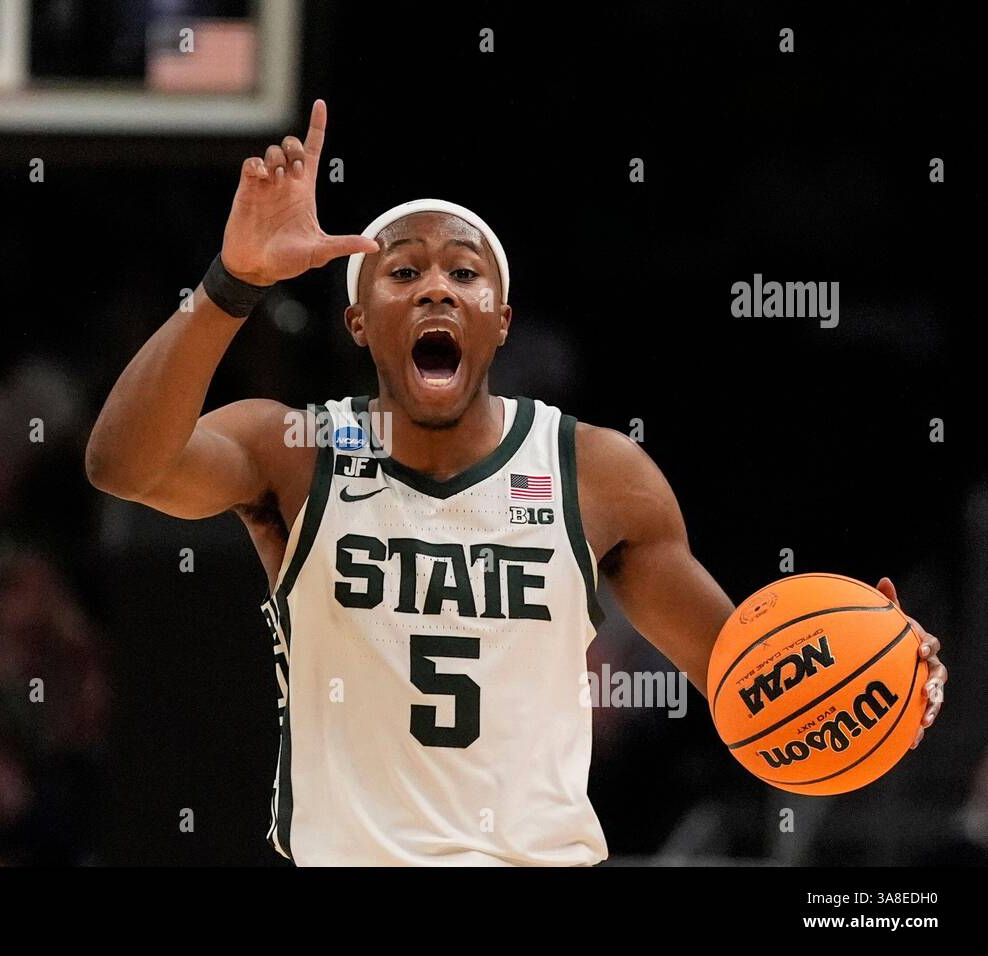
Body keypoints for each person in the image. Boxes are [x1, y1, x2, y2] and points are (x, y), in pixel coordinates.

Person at [84, 99, 948, 866]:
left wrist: (880, 673)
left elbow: (745, 682)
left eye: (464, 274)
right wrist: (233, 284)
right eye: (403, 272)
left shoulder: (598, 473)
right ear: (357, 319)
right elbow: (122, 465)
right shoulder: (293, 447)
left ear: (500, 323)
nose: (436, 290)